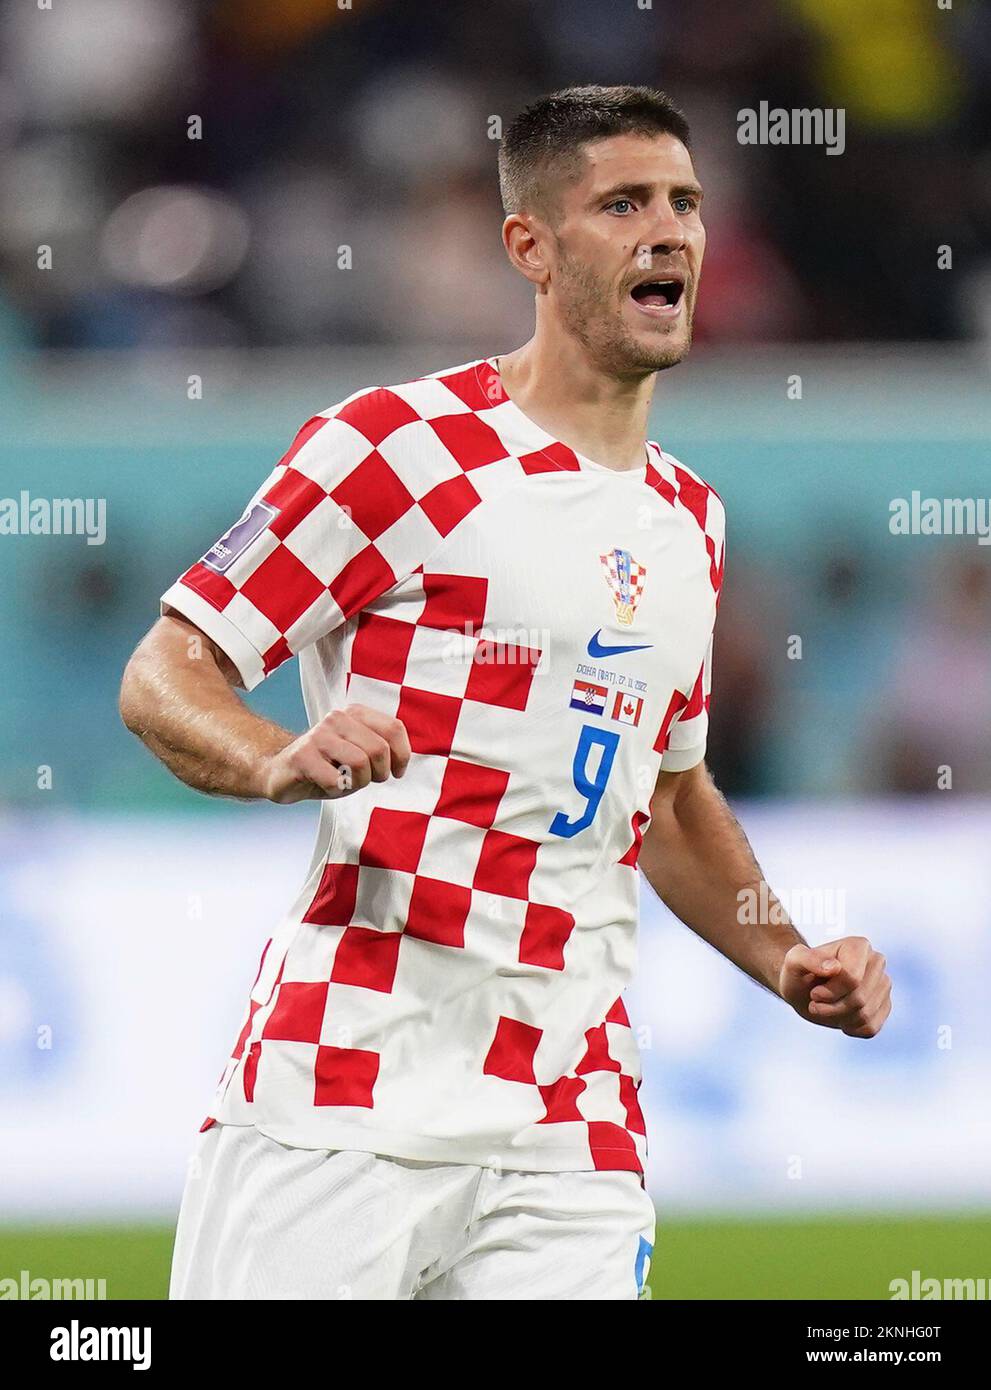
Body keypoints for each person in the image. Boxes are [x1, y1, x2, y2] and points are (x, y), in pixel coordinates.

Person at [120, 84, 892, 1301]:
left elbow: (672, 796)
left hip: (569, 1119)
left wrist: (783, 956)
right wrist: (273, 753)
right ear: (528, 246)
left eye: (685, 203)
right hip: (346, 1090)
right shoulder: (397, 451)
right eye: (623, 202)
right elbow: (168, 667)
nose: (669, 231)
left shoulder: (690, 520)